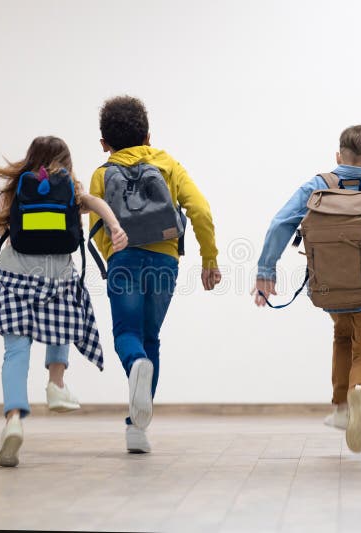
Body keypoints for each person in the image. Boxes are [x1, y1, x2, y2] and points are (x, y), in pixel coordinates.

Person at [253, 125, 361, 453]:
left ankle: (341, 407)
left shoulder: (316, 186)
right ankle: (360, 393)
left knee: (342, 337)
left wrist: (265, 270)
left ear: (338, 155)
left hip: (328, 290)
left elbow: (280, 223)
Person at [0, 135, 127, 467]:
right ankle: (56, 384)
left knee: (15, 353)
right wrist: (114, 226)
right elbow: (97, 204)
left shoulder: (17, 191)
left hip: (13, 276)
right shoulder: (71, 190)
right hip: (56, 275)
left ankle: (13, 419)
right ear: (66, 160)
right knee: (62, 323)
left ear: (31, 158)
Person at [89, 95, 222, 453]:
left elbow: (98, 226)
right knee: (151, 338)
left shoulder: (102, 173)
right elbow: (201, 211)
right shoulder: (169, 164)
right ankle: (138, 430)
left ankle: (135, 369)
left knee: (127, 335)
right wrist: (209, 259)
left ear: (104, 143)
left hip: (124, 259)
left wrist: (116, 257)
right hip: (165, 262)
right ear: (149, 136)